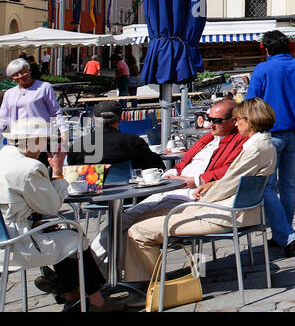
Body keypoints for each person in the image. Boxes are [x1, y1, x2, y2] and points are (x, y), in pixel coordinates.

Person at [122, 98, 278, 284]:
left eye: (238, 119)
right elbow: (235, 180)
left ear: (250, 120)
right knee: (140, 219)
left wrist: (201, 199)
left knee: (139, 230)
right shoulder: (260, 145)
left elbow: (230, 184)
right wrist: (209, 186)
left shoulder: (255, 148)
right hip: (226, 209)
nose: (236, 123)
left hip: (224, 213)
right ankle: (134, 276)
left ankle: (148, 287)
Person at [88, 99, 245, 263]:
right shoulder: (206, 139)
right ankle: (95, 269)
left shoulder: (81, 143)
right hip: (167, 190)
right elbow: (178, 163)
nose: (210, 124)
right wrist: (171, 175)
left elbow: (229, 172)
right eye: (209, 118)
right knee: (124, 221)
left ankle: (90, 269)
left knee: (128, 222)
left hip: (189, 196)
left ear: (234, 121)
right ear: (119, 119)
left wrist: (189, 180)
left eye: (216, 121)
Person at [0, 118, 122, 312]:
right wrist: (57, 171)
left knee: (61, 233)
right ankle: (96, 301)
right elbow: (52, 206)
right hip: (17, 245)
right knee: (75, 236)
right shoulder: (29, 167)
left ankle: (71, 291)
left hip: (5, 237)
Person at [245, 30, 295, 256]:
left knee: (267, 186)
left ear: (267, 49)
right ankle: (284, 231)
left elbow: (251, 102)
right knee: (288, 184)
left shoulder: (263, 69)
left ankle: (284, 233)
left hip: (270, 133)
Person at [66, 100, 163, 172]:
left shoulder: (78, 145)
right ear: (120, 119)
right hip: (129, 194)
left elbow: (72, 169)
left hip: (91, 194)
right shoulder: (133, 141)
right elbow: (157, 166)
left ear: (94, 119)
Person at [0, 58, 64, 133]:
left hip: (40, 137)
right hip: (16, 138)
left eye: (22, 72)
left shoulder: (44, 87)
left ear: (29, 70)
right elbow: (3, 118)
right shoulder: (9, 93)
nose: (20, 76)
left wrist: (63, 130)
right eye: (15, 75)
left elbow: (55, 112)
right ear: (12, 78)